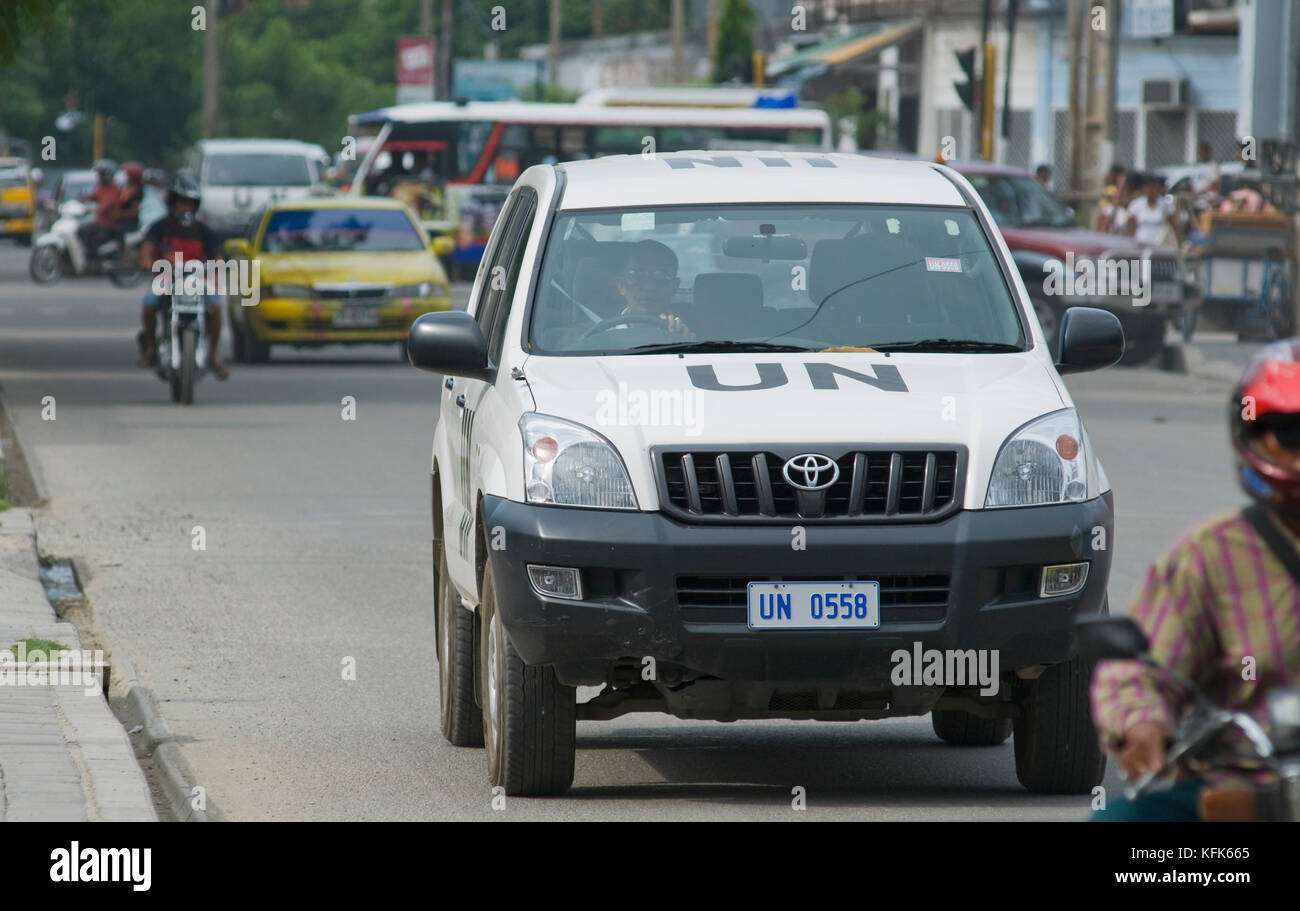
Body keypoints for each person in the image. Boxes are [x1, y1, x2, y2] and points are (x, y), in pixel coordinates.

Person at [1091, 339, 1300, 821]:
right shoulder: (1208, 557)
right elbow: (1140, 672)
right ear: (1251, 436)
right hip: (1244, 793)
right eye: (1290, 432)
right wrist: (1142, 723)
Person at [136, 172, 228, 380]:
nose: (186, 208)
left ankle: (213, 355)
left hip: (197, 281)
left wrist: (216, 271)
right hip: (167, 279)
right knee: (149, 304)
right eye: (182, 203)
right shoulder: (159, 227)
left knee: (216, 306)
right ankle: (151, 346)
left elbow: (218, 256)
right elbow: (146, 253)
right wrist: (151, 263)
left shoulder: (204, 230)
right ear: (173, 202)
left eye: (190, 203)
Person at [613, 240, 692, 336]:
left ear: (674, 287)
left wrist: (684, 344)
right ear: (621, 285)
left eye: (660, 277)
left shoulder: (697, 335)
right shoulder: (599, 339)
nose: (649, 287)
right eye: (638, 275)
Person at [77, 158, 121, 258]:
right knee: (80, 230)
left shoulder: (114, 189)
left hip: (108, 225)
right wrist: (80, 200)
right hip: (98, 223)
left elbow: (108, 204)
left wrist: (95, 209)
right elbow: (91, 196)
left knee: (85, 232)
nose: (99, 177)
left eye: (101, 174)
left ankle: (93, 259)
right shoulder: (101, 187)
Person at [1126, 173, 1179, 246]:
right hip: (1140, 244)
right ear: (1143, 189)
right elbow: (1131, 228)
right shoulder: (1136, 205)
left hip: (1160, 244)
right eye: (1148, 187)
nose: (1150, 190)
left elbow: (1175, 226)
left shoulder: (1165, 205)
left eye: (1153, 187)